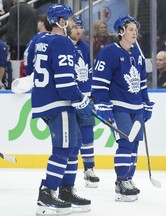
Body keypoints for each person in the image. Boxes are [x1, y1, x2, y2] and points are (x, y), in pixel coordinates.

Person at [31, 4, 95, 215]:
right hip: (59, 104)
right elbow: (66, 83)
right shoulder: (63, 43)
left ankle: (66, 190)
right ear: (60, 21)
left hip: (44, 100)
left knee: (73, 145)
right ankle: (47, 192)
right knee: (64, 148)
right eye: (69, 20)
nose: (72, 23)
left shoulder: (40, 40)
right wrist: (81, 100)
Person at [91, 15, 154, 202]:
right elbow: (100, 83)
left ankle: (129, 179)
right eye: (131, 29)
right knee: (125, 143)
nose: (135, 32)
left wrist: (146, 103)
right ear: (121, 32)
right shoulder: (109, 52)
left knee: (134, 144)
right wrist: (103, 104)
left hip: (136, 107)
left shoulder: (137, 54)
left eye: (136, 29)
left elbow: (142, 83)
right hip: (119, 107)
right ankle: (121, 181)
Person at [69, 16, 100, 188]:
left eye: (80, 27)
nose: (78, 31)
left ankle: (89, 170)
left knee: (88, 133)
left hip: (85, 98)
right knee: (72, 138)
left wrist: (90, 94)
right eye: (75, 27)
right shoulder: (63, 46)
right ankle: (68, 173)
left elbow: (88, 74)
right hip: (69, 100)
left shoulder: (84, 47)